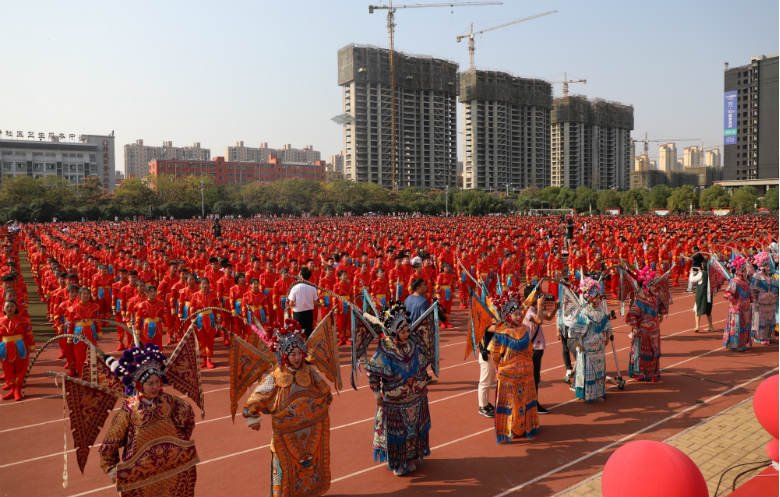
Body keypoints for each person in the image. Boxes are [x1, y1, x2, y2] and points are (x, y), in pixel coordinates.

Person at [243, 320, 333, 497]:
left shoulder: (309, 371)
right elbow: (257, 397)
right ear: (284, 355)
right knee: (283, 472)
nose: (297, 358)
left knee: (310, 468)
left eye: (299, 353)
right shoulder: (275, 377)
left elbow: (324, 390)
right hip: (286, 437)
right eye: (293, 354)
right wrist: (252, 416)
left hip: (311, 433)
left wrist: (324, 402)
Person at [99, 344, 198, 496]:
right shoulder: (130, 409)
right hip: (142, 477)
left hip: (173, 470)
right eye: (150, 383)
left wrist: (178, 442)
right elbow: (110, 442)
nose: (155, 387)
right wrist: (112, 468)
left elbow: (188, 417)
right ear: (139, 385)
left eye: (157, 382)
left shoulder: (169, 400)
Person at [365, 303, 433, 476]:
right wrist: (376, 394)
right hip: (394, 403)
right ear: (394, 332)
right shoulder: (385, 350)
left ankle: (411, 458)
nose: (407, 334)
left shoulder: (412, 346)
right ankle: (397, 462)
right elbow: (373, 374)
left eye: (407, 330)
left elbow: (421, 365)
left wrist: (421, 381)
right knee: (397, 434)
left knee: (413, 431)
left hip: (415, 399)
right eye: (403, 332)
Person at [486, 289, 540, 442]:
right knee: (512, 402)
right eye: (515, 314)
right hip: (509, 376)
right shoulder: (502, 332)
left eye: (519, 314)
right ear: (508, 316)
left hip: (526, 373)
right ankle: (511, 428)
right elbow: (494, 353)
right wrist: (500, 368)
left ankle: (524, 427)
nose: (519, 316)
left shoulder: (523, 329)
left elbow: (529, 348)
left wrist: (527, 363)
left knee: (524, 400)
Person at [566, 277, 612, 402]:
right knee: (589, 371)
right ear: (590, 298)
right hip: (587, 348)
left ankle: (598, 393)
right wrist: (579, 343)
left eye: (599, 297)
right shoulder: (584, 312)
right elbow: (575, 331)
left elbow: (606, 324)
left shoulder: (600, 310)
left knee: (599, 370)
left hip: (599, 348)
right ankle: (588, 394)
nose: (599, 300)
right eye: (596, 297)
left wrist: (607, 336)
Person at [625, 267, 668, 382]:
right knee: (643, 353)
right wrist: (635, 327)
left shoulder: (655, 298)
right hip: (643, 333)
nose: (655, 288)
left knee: (654, 353)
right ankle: (642, 373)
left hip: (654, 332)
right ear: (646, 287)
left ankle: (652, 373)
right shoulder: (639, 300)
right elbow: (632, 314)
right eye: (652, 286)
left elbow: (662, 308)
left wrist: (661, 314)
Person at [523, 286, 556, 414]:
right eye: (537, 295)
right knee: (533, 377)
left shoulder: (535, 309)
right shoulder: (528, 312)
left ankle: (532, 402)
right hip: (533, 349)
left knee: (535, 377)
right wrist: (540, 305)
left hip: (537, 347)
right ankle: (533, 403)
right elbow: (539, 320)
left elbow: (548, 317)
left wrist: (555, 308)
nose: (540, 297)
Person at [0, 300, 34, 401]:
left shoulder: (23, 320)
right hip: (4, 348)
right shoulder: (0, 321)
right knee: (8, 369)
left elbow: (28, 333)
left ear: (16, 308)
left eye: (12, 306)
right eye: (7, 307)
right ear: (3, 309)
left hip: (20, 347)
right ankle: (12, 389)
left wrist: (31, 345)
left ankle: (17, 390)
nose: (10, 308)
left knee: (20, 369)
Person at [723, 255, 754, 351]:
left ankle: (742, 343)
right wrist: (734, 300)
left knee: (744, 326)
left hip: (745, 310)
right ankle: (735, 344)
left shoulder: (746, 282)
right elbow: (727, 294)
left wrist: (751, 299)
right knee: (737, 327)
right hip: (736, 310)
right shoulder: (734, 282)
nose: (746, 273)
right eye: (744, 271)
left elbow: (750, 293)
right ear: (740, 272)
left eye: (746, 271)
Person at [750, 252, 778, 344]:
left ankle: (768, 336)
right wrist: (755, 300)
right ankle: (760, 337)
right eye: (766, 266)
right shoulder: (757, 276)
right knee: (760, 320)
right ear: (761, 266)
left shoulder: (769, 275)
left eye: (768, 265)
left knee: (769, 319)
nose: (768, 267)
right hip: (760, 302)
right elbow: (753, 289)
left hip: (770, 302)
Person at [287, 267, 318, 338]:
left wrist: (298, 304)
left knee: (298, 334)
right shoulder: (313, 288)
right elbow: (315, 303)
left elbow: (290, 303)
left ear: (301, 275)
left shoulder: (295, 287)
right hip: (309, 314)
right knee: (308, 333)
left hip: (298, 314)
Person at [689, 258, 714, 333]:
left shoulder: (701, 273)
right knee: (708, 311)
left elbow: (693, 280)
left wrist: (691, 273)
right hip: (709, 294)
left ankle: (697, 326)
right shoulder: (711, 273)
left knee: (697, 309)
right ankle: (711, 326)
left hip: (701, 294)